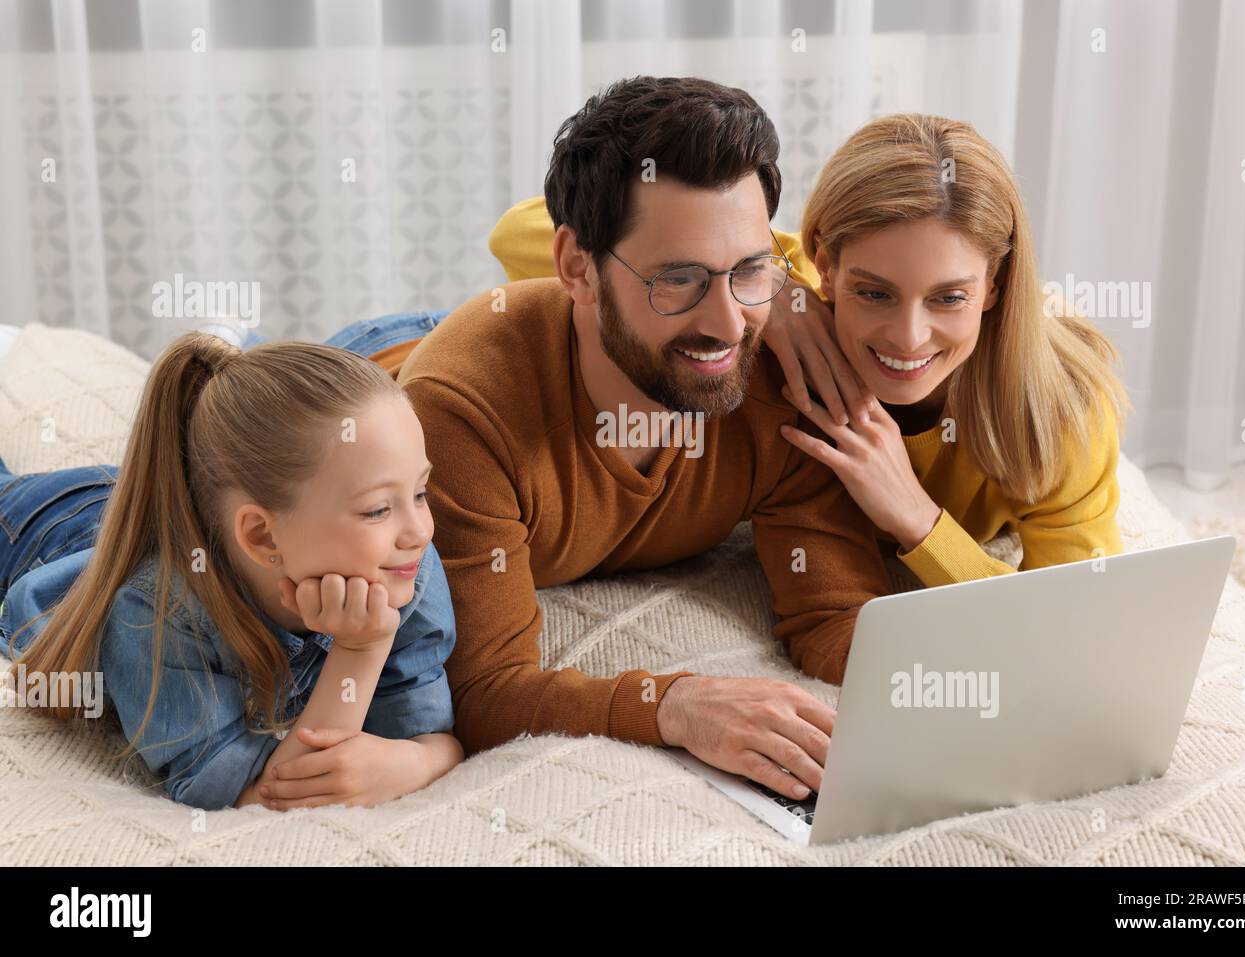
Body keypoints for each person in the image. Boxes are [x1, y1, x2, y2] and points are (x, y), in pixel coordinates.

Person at [370, 76, 895, 803]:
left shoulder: (781, 374)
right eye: (677, 279)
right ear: (577, 267)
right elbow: (487, 691)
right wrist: (673, 704)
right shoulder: (458, 418)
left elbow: (832, 617)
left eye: (748, 269)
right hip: (385, 363)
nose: (727, 322)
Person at [492, 112, 1130, 593]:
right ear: (825, 259)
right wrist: (779, 293)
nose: (908, 337)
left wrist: (918, 521)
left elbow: (1068, 619)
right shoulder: (763, 283)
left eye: (948, 298)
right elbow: (515, 233)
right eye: (874, 293)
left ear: (996, 282)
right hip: (464, 337)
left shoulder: (1063, 406)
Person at [0, 316, 463, 811]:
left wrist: (422, 760)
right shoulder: (160, 613)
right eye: (377, 510)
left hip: (190, 512)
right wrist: (361, 649)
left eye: (419, 492)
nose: (420, 531)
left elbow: (428, 734)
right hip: (51, 530)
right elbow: (260, 795)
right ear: (263, 536)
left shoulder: (405, 568)